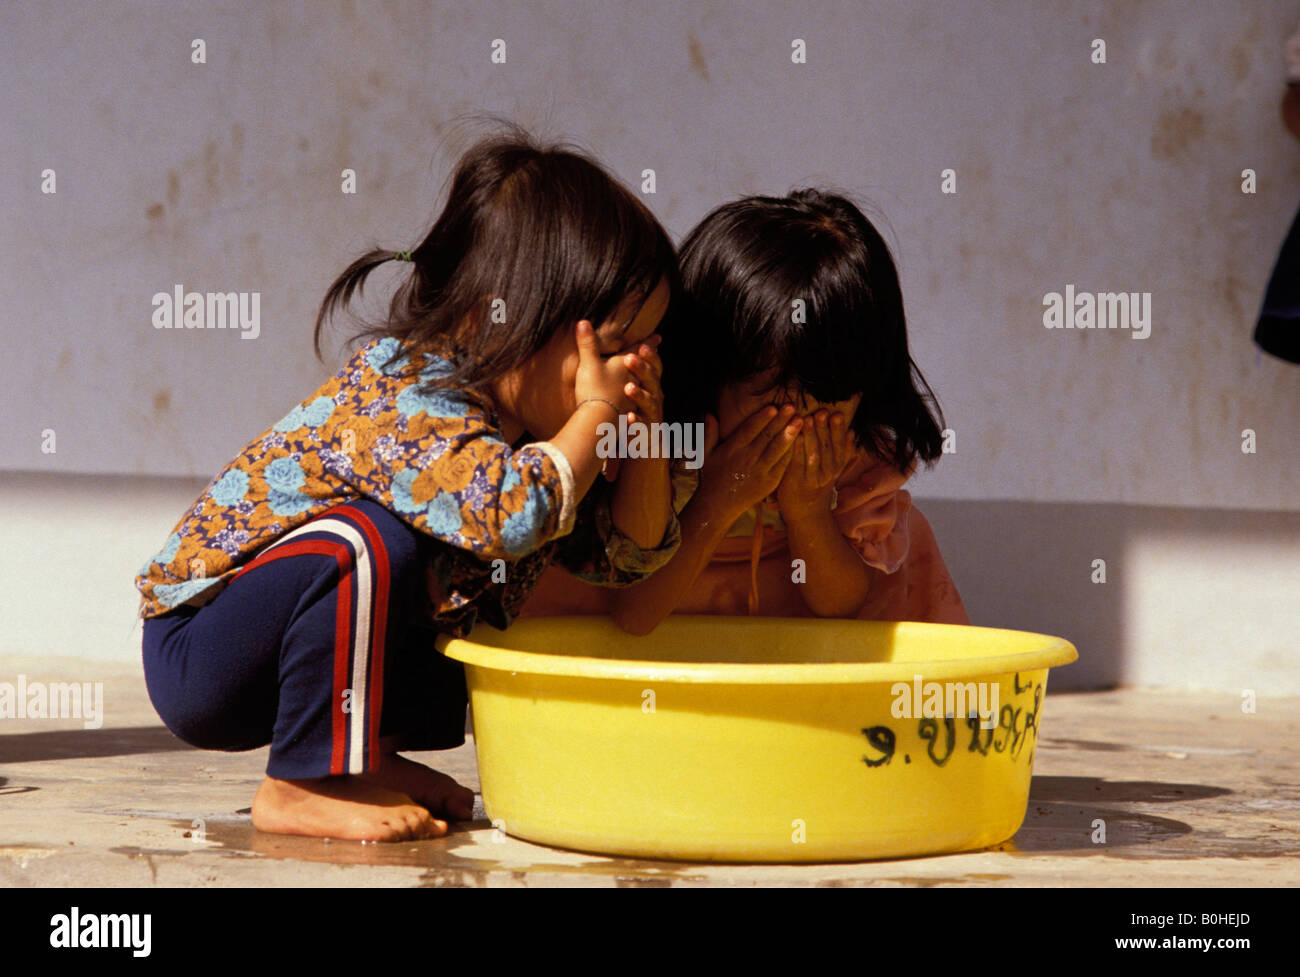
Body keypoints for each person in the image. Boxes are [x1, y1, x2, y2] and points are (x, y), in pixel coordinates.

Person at [135, 128, 681, 841]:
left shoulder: (522, 441)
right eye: (609, 349)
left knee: (450, 556)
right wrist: (599, 412)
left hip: (268, 646)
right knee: (376, 540)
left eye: (644, 351)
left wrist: (637, 431)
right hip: (205, 648)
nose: (623, 372)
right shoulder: (406, 397)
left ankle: (365, 755)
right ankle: (302, 780)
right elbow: (509, 516)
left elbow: (626, 556)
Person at [520, 189, 968, 630]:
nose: (795, 425)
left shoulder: (854, 469)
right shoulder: (652, 450)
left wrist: (809, 511)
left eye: (827, 398)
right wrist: (719, 496)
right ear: (708, 370)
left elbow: (841, 607)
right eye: (769, 396)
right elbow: (636, 615)